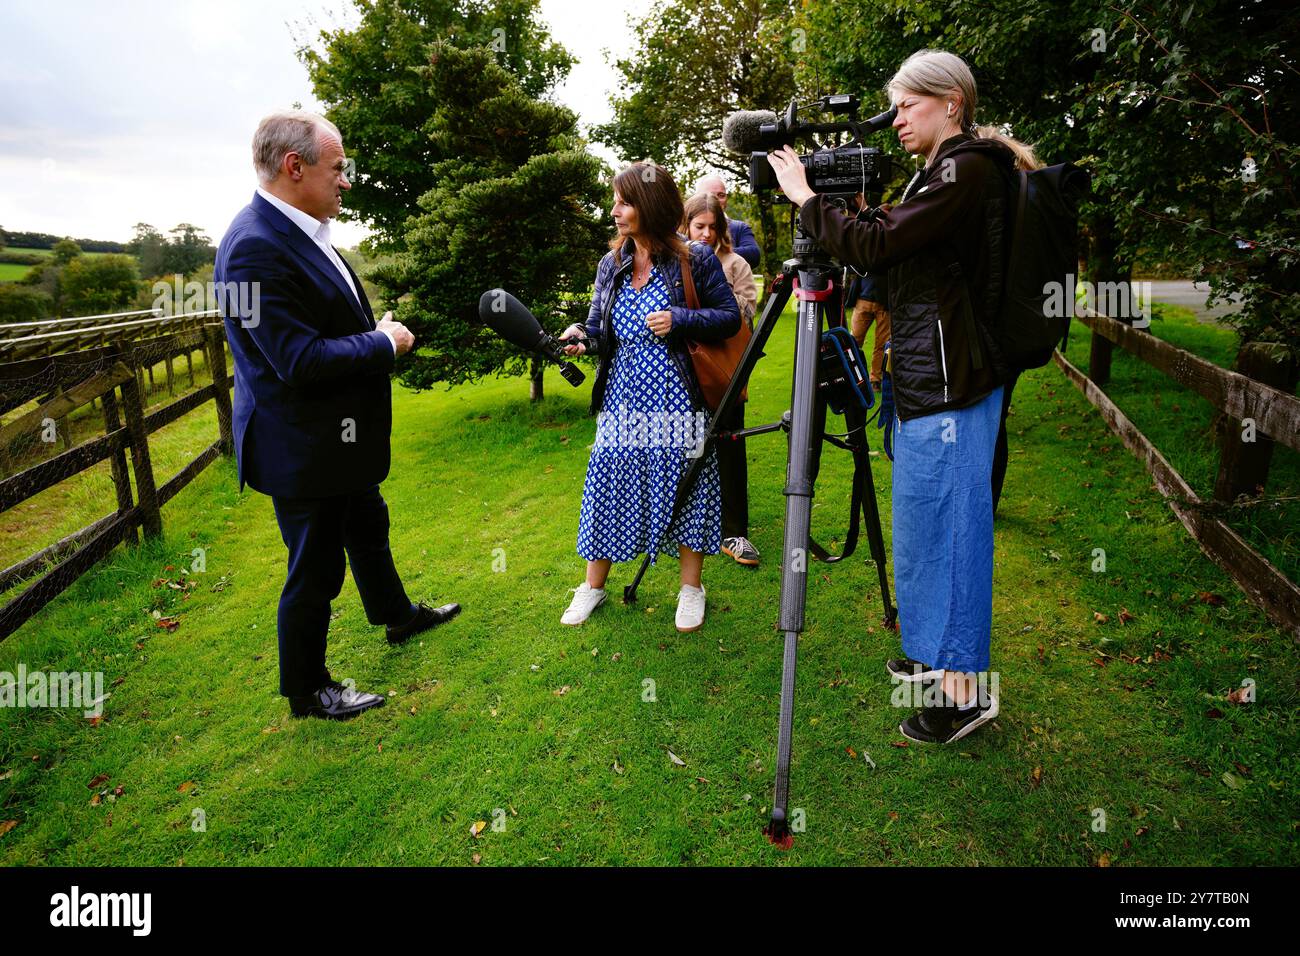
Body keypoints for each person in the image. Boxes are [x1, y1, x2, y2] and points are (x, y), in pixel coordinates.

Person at [767, 49, 1042, 744]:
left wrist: (807, 199)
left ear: (951, 101)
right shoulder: (940, 173)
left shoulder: (967, 168)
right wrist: (859, 213)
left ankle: (965, 696)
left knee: (951, 538)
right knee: (924, 530)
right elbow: (896, 258)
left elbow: (876, 249)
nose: (894, 121)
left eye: (906, 106)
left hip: (953, 386)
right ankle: (934, 657)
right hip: (927, 381)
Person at [213, 110, 460, 721]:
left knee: (367, 529)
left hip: (336, 440)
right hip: (300, 444)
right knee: (315, 568)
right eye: (338, 168)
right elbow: (294, 359)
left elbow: (322, 327)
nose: (345, 181)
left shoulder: (303, 230)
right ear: (295, 167)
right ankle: (307, 688)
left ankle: (398, 617)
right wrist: (383, 344)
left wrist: (368, 333)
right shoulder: (252, 249)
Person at [559, 161, 741, 632]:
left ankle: (690, 589)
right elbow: (601, 327)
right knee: (607, 485)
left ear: (649, 207)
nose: (614, 210)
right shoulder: (612, 263)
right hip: (622, 396)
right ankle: (592, 588)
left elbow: (729, 318)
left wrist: (680, 318)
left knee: (687, 486)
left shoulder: (694, 258)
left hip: (679, 396)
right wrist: (582, 334)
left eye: (623, 202)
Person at [682, 191, 760, 567]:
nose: (707, 234)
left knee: (729, 445)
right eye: (700, 226)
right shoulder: (674, 262)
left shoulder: (736, 264)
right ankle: (687, 524)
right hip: (684, 369)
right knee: (688, 446)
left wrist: (719, 296)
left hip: (724, 368)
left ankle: (735, 531)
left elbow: (744, 316)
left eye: (713, 227)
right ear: (686, 224)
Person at [695, 174, 760, 269]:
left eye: (721, 195)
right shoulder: (686, 226)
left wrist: (712, 252)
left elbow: (753, 255)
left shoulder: (739, 228)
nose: (716, 200)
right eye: (710, 195)